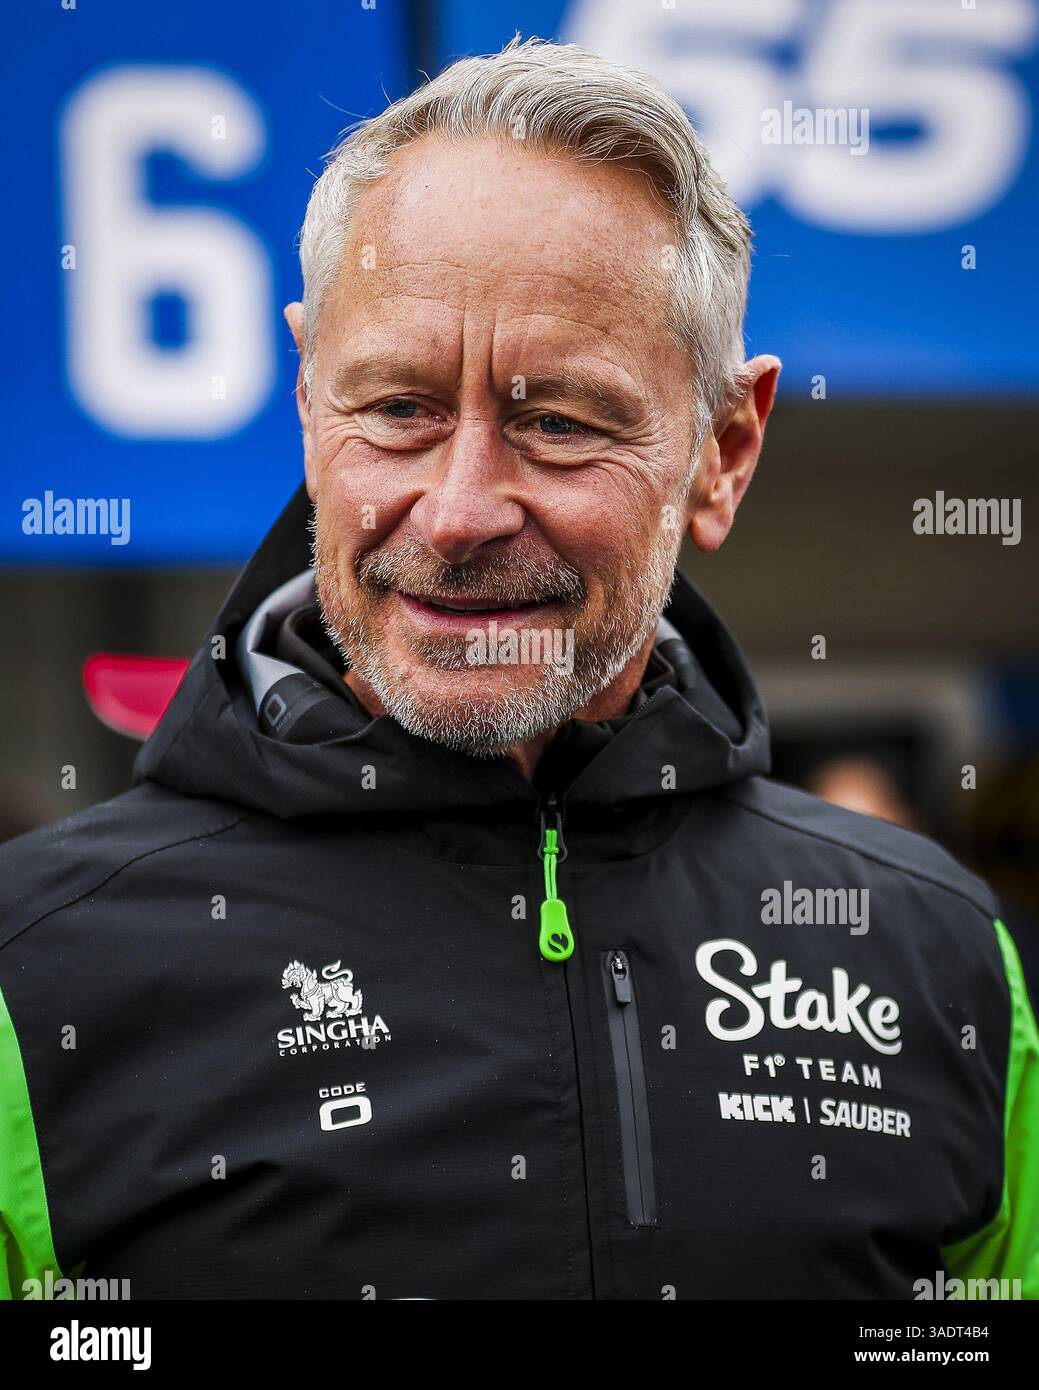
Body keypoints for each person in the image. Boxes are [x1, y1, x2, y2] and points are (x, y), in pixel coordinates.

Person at [1, 36, 1036, 1301]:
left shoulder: (937, 953)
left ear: (723, 448)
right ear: (306, 399)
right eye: (397, 409)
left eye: (558, 423)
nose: (458, 510)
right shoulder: (36, 965)